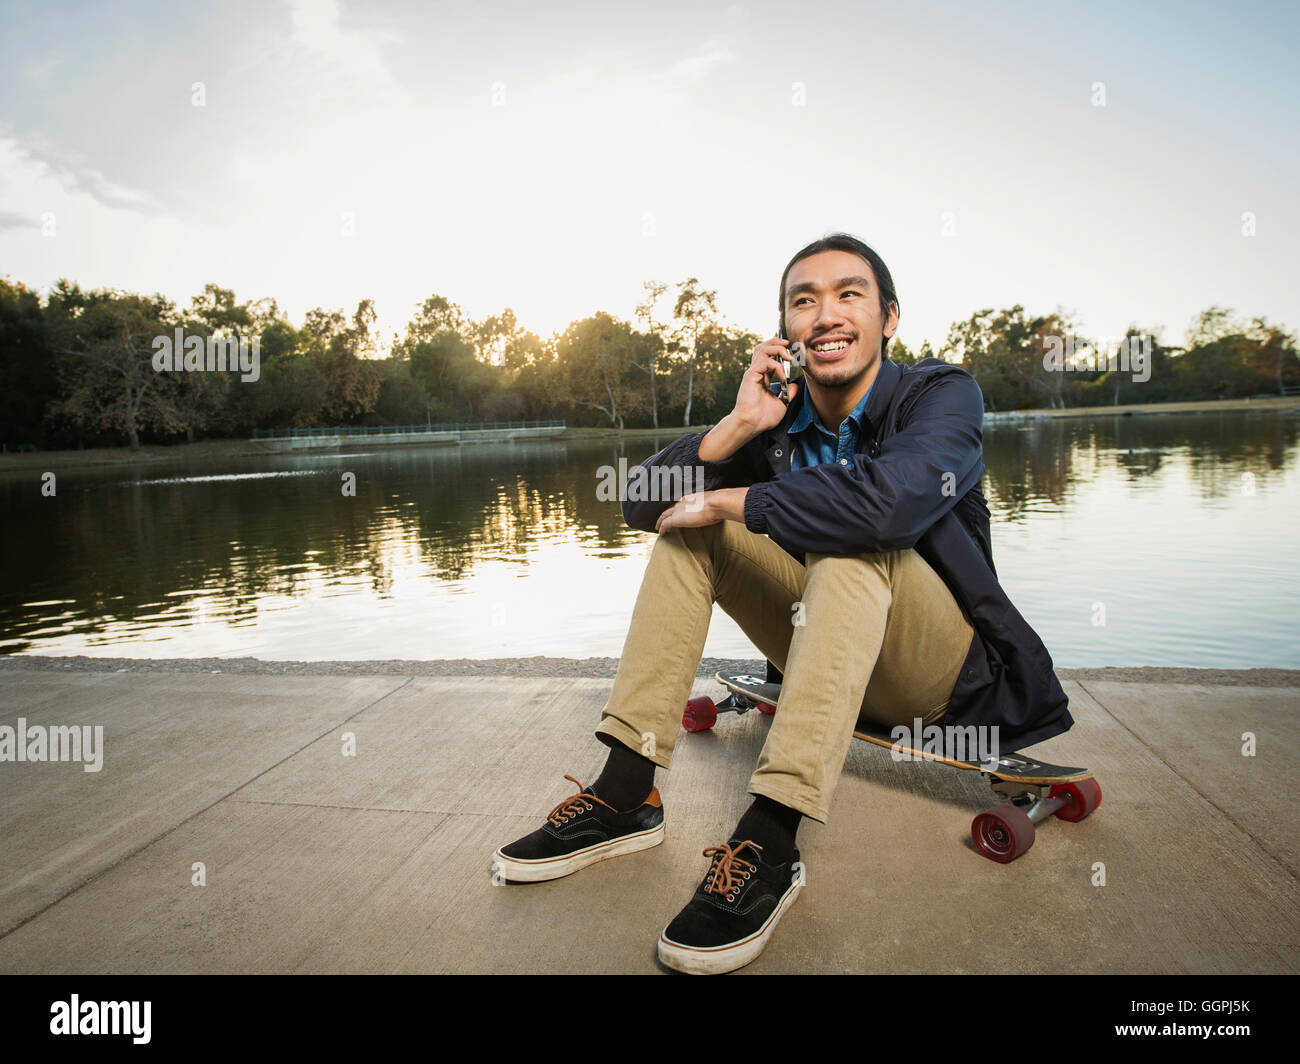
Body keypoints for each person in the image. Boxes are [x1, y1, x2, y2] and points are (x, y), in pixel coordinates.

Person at [492, 232, 1073, 975]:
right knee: (682, 532)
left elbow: (892, 505)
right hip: (819, 648)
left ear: (889, 318)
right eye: (805, 301)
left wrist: (735, 499)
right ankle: (625, 795)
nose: (826, 314)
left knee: (849, 539)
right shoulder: (776, 419)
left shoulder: (940, 394)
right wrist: (735, 429)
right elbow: (638, 503)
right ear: (786, 332)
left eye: (848, 295)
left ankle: (769, 840)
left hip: (937, 674)